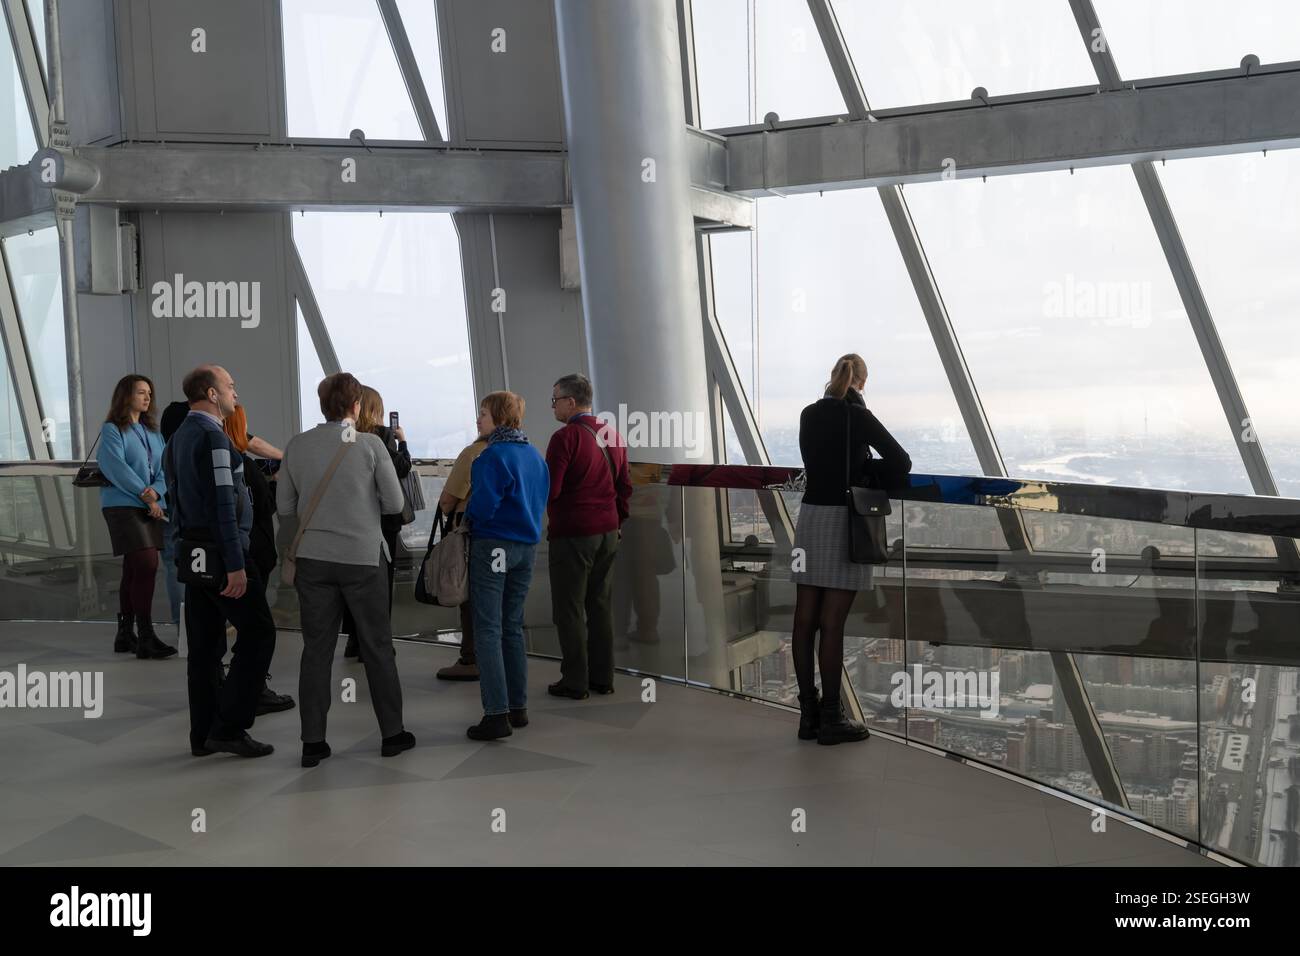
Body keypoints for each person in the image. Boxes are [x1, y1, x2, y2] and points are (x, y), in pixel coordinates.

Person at [278, 372, 414, 768]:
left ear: (323, 405)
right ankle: (392, 734)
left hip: (313, 560)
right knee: (376, 647)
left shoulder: (298, 445)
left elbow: (285, 507)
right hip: (362, 558)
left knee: (317, 650)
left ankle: (313, 743)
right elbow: (392, 503)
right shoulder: (370, 444)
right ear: (356, 406)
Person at [790, 354, 911, 745]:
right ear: (862, 381)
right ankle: (831, 718)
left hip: (810, 518)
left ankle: (807, 715)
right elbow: (901, 462)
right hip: (845, 521)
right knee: (833, 624)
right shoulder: (857, 416)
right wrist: (867, 472)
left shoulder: (809, 414)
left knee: (804, 619)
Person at [166, 366, 276, 757]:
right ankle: (229, 726)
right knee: (260, 632)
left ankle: (204, 733)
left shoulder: (178, 438)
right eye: (230, 386)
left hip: (194, 554)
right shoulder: (213, 438)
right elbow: (223, 504)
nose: (235, 392)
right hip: (222, 554)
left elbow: (177, 502)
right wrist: (235, 564)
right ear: (211, 394)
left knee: (206, 646)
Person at [463, 391, 549, 740]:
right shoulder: (534, 456)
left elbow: (482, 507)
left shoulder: (490, 457)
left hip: (492, 546)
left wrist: (467, 518)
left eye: (483, 413)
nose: (478, 420)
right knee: (512, 627)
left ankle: (495, 714)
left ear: (498, 416)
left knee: (487, 628)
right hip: (525, 548)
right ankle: (518, 708)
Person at [545, 373, 631, 699]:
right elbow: (625, 486)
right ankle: (602, 678)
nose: (552, 406)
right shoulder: (612, 434)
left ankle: (575, 681)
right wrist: (618, 521)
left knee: (569, 608)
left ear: (570, 401)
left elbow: (551, 490)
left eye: (555, 399)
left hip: (573, 533)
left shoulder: (564, 438)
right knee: (600, 605)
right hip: (609, 531)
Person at [221, 405, 294, 715]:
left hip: (243, 552)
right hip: (255, 553)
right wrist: (275, 483)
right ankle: (253, 689)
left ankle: (238, 686)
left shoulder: (230, 462)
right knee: (258, 628)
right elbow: (263, 508)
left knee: (246, 625)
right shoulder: (244, 466)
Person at [98, 374, 175, 659]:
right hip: (121, 505)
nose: (147, 398)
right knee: (146, 563)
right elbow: (115, 468)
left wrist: (155, 492)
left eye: (149, 393)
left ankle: (125, 633)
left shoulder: (153, 432)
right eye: (141, 392)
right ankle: (145, 636)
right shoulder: (112, 430)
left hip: (149, 503)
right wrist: (146, 494)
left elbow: (166, 468)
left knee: (134, 567)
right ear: (125, 396)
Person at [340, 385, 411, 663]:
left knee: (353, 582)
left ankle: (354, 641)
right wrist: (402, 442)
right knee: (381, 582)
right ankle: (378, 642)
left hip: (353, 519)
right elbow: (401, 468)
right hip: (383, 521)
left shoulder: (348, 437)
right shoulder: (382, 436)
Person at [432, 408, 491, 681]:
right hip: (508, 538)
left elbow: (447, 501)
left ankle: (471, 658)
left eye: (485, 414)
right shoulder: (523, 451)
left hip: (470, 534)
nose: (477, 420)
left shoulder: (473, 453)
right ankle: (496, 656)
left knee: (469, 596)